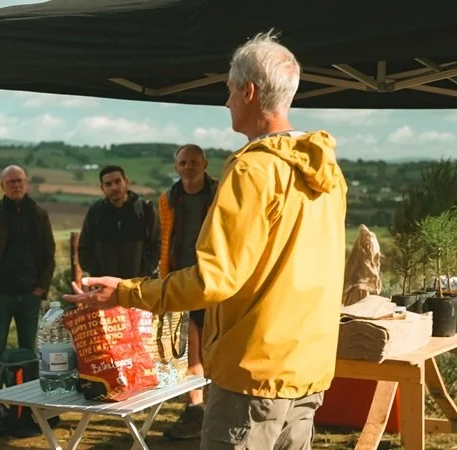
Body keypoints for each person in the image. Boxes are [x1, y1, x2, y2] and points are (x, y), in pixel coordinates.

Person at [64, 31, 348, 450]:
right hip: (308, 367)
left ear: (249, 91)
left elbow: (214, 280)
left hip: (252, 372)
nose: (226, 101)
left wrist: (125, 292)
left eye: (230, 90)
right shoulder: (327, 173)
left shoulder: (253, 171)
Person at [0, 165, 56, 420]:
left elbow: (48, 255)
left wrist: (40, 288)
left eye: (20, 181)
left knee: (29, 352)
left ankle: (29, 408)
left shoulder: (39, 215)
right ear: (2, 186)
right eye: (11, 182)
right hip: (0, 296)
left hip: (30, 295)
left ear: (27, 183)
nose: (16, 185)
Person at [158, 144, 219, 441]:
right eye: (183, 162)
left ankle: (217, 408)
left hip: (215, 280)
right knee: (190, 349)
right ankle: (195, 409)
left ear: (204, 164)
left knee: (216, 346)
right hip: (181, 280)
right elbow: (165, 241)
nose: (189, 166)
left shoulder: (220, 194)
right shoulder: (168, 199)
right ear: (176, 167)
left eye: (194, 161)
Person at [77, 165, 160, 279]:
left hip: (139, 285)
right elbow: (84, 247)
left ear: (126, 182)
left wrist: (146, 270)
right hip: (104, 286)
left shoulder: (145, 209)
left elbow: (157, 243)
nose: (114, 187)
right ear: (102, 188)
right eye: (108, 184)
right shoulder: (95, 211)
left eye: (117, 181)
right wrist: (95, 273)